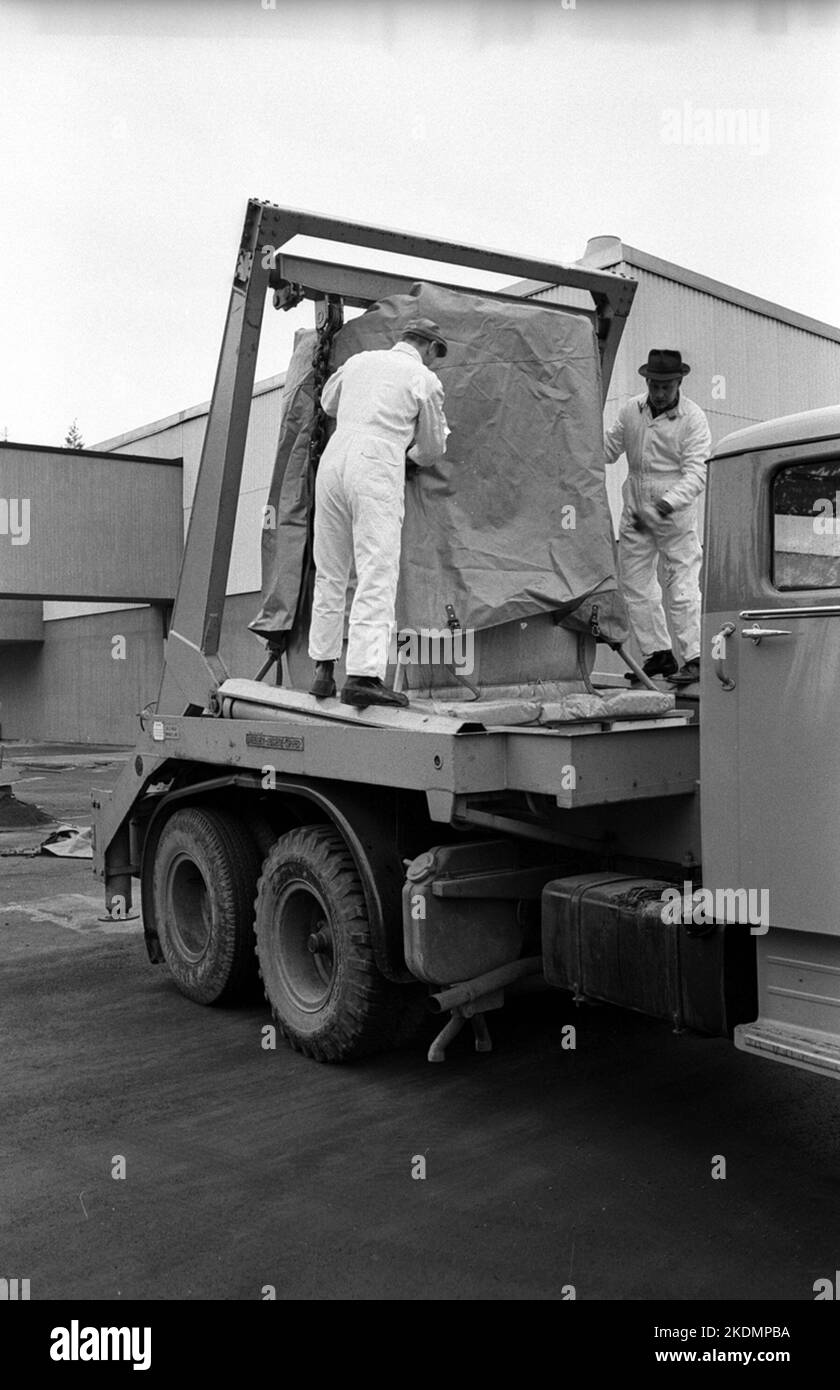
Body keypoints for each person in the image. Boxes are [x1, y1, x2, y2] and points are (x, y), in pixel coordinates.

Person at [308, 317, 449, 707]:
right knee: (377, 569)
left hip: (335, 458)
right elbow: (434, 447)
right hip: (378, 461)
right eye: (437, 354)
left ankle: (322, 671)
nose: (436, 362)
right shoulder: (423, 378)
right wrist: (410, 456)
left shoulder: (359, 361)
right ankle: (364, 676)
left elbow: (327, 401)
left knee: (332, 569)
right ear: (429, 347)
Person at [603, 349, 711, 686]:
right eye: (654, 385)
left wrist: (663, 506)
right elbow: (608, 449)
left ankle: (694, 656)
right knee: (634, 584)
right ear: (647, 381)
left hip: (674, 516)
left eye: (666, 385)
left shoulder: (693, 418)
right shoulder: (631, 410)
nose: (659, 392)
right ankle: (658, 654)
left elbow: (696, 476)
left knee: (681, 585)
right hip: (636, 510)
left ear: (679, 382)